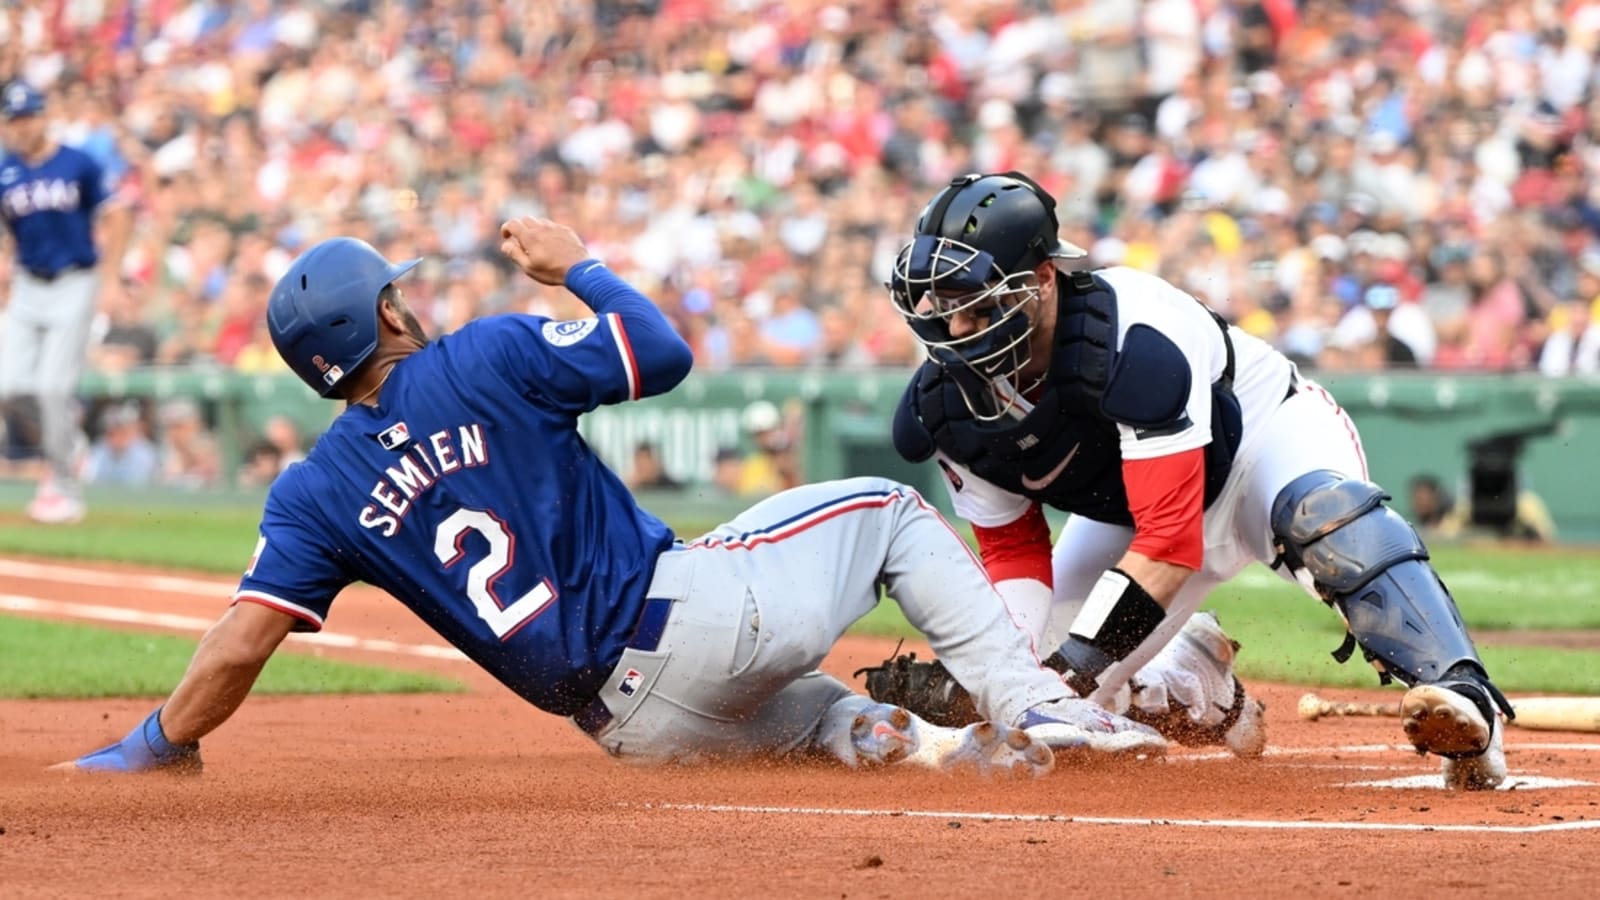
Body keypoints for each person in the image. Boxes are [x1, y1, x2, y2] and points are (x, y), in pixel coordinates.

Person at [58, 219, 1164, 777]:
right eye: (395, 293)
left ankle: (877, 737)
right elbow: (661, 350)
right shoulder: (480, 355)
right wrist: (577, 267)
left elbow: (246, 638)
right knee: (889, 509)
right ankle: (1032, 701)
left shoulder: (314, 494)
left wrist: (157, 742)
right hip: (686, 621)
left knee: (818, 705)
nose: (411, 300)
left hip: (633, 729)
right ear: (382, 320)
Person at [872, 172, 1515, 789]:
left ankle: (1463, 694)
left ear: (1042, 280)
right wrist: (1016, 674)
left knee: (1326, 517)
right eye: (946, 305)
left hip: (1261, 448)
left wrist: (1066, 671)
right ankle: (1187, 681)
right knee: (1033, 703)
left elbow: (1171, 544)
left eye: (977, 304)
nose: (956, 330)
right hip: (1136, 508)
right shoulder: (947, 408)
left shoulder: (1134, 336)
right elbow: (1014, 551)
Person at [0, 81, 132, 523]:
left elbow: (116, 213)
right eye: (13, 119)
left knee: (54, 388)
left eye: (28, 116)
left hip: (75, 280)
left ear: (43, 116)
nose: (22, 126)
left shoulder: (77, 162)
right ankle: (68, 444)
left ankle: (65, 485)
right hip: (27, 284)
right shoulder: (5, 168)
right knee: (7, 385)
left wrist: (111, 277)